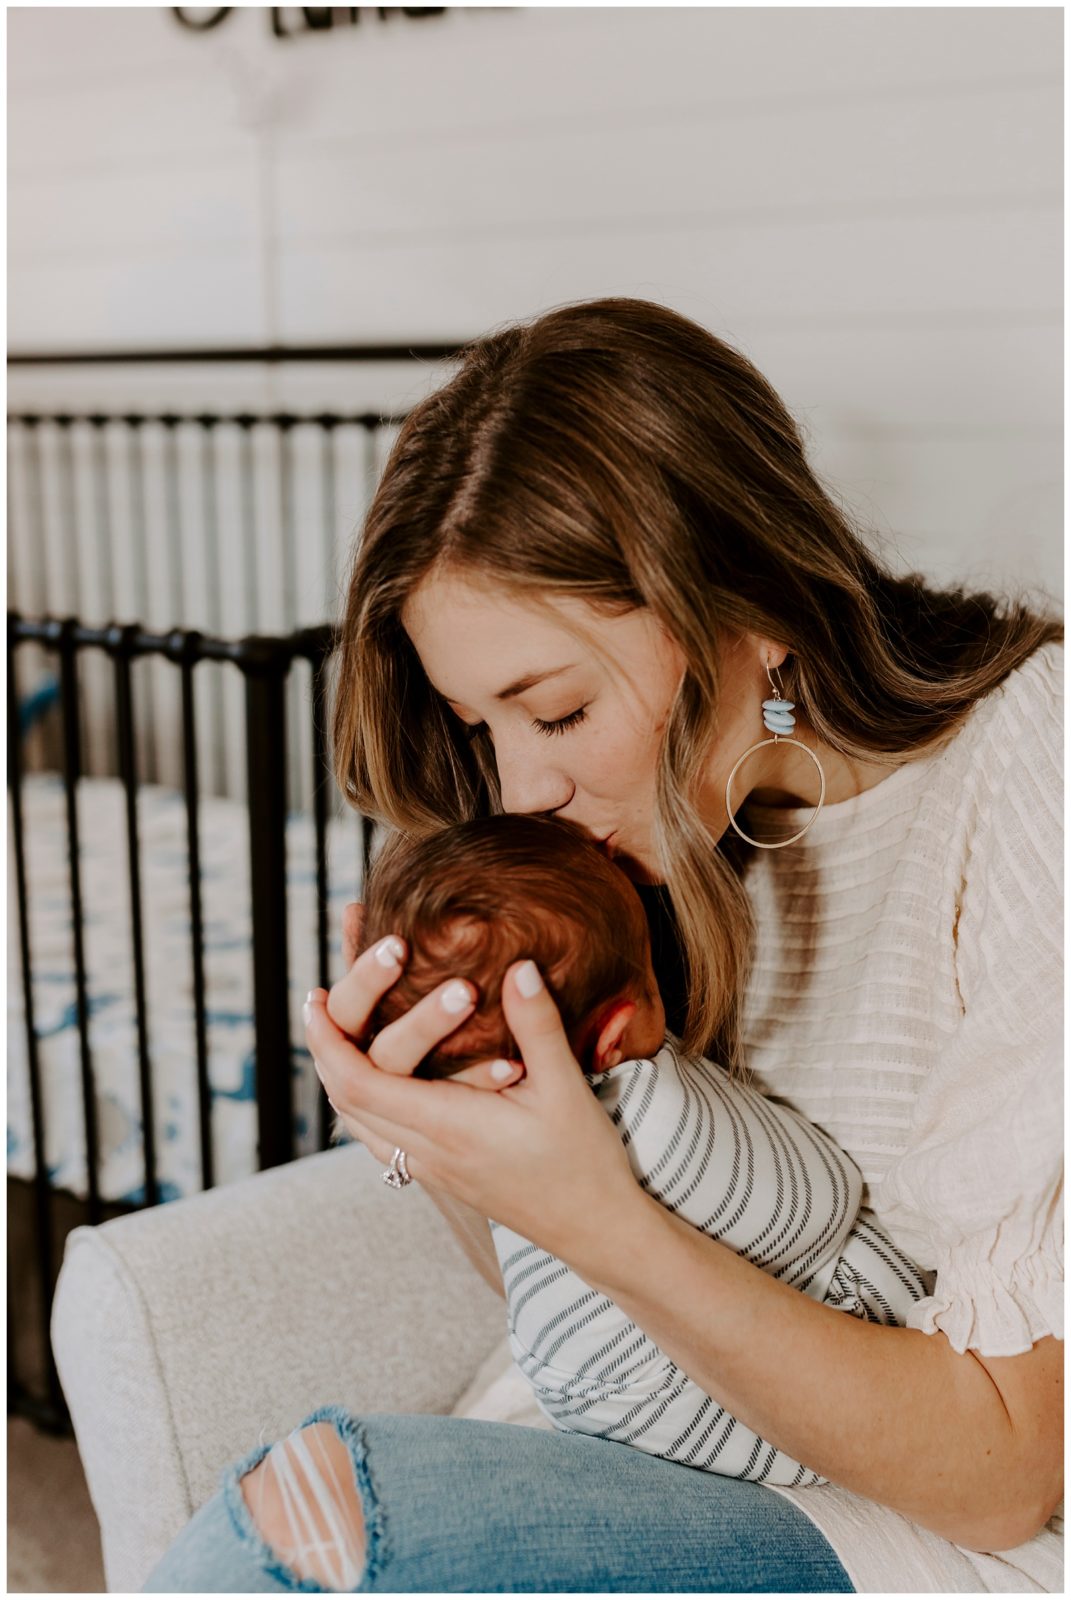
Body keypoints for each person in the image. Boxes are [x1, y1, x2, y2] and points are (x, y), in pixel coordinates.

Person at [144, 296, 1062, 1594]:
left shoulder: (1026, 775)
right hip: (675, 1450)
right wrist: (441, 1125)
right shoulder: (635, 859)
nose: (521, 788)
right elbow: (550, 1293)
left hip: (941, 1532)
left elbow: (1006, 1477)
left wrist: (606, 1220)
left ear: (752, 601)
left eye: (559, 710)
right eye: (482, 726)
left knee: (312, 1520)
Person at [349, 809, 934, 1488]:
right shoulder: (658, 1111)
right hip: (743, 1420)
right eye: (653, 982)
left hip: (587, 1399)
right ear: (614, 1036)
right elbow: (821, 1198)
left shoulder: (485, 1134)